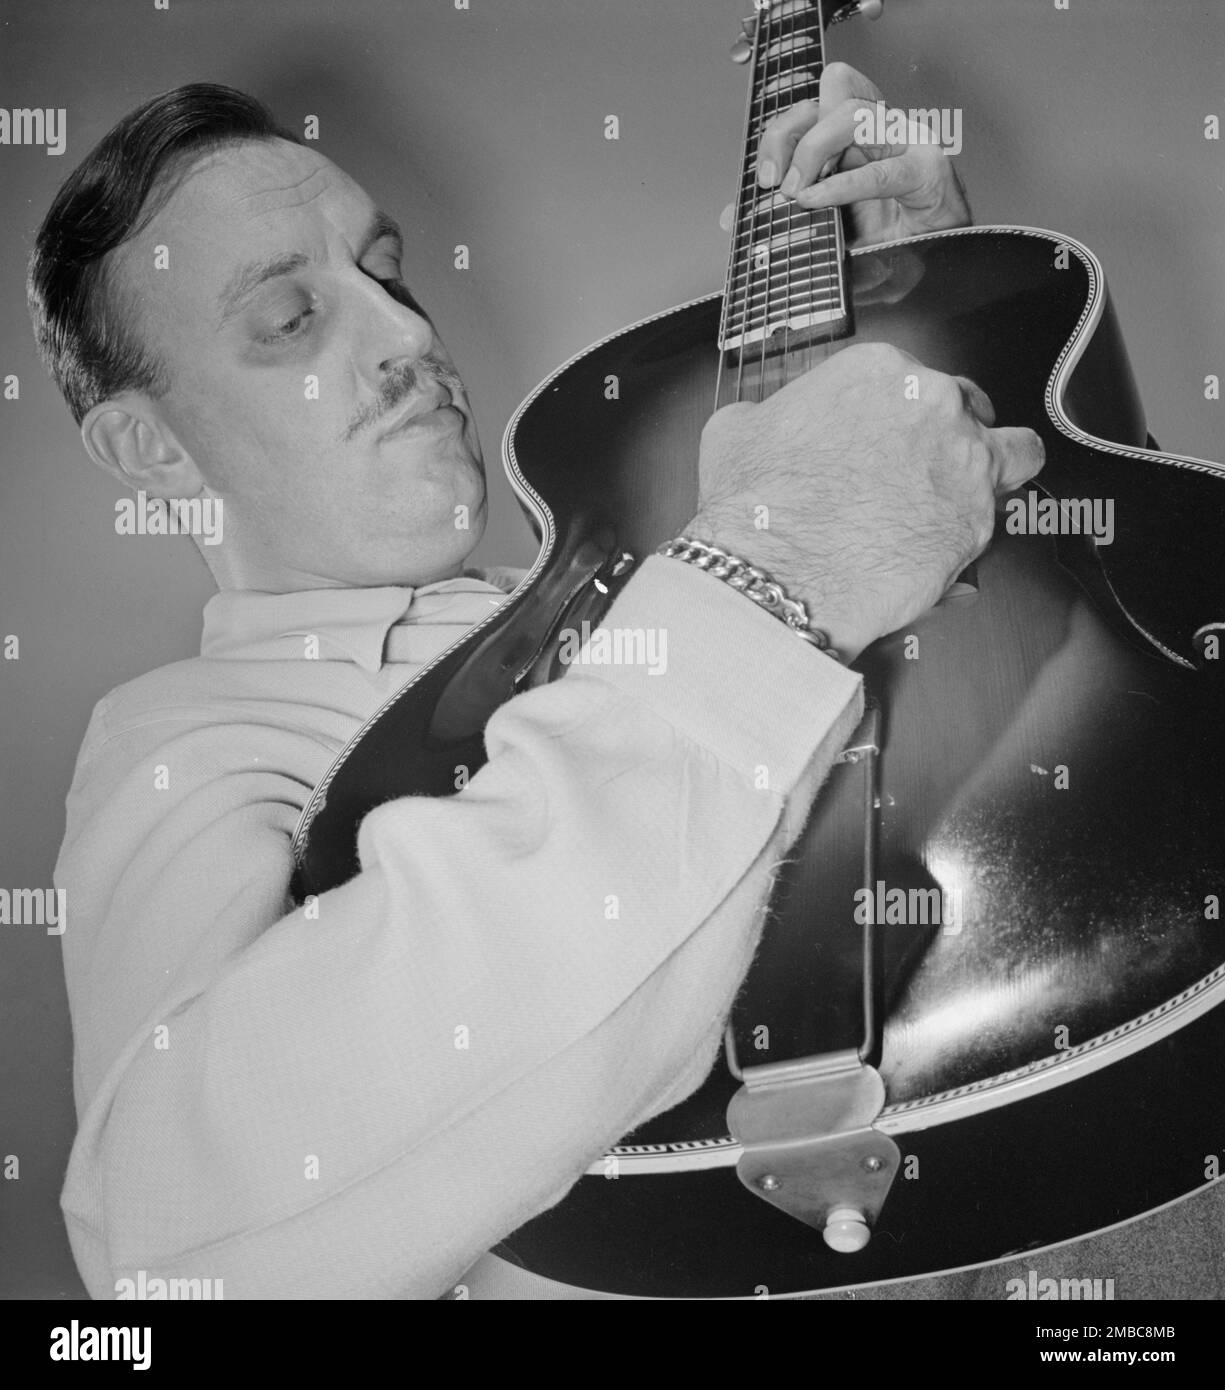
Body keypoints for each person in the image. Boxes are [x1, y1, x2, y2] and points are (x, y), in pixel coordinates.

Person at [29, 62, 1042, 1299]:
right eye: (291, 320)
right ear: (151, 446)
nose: (408, 334)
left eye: (385, 272)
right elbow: (170, 1239)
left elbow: (1052, 741)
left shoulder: (649, 580)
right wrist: (779, 572)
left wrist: (937, 313)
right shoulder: (180, 736)